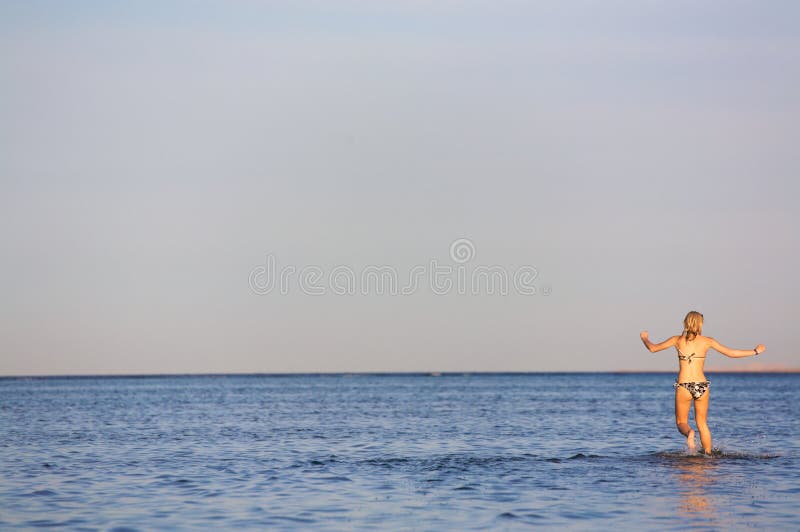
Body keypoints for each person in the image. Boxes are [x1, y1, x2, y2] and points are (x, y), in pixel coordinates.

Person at [639, 311, 765, 454]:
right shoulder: (707, 341)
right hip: (702, 386)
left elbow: (653, 348)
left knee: (681, 422)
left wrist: (645, 338)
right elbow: (731, 353)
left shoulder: (677, 340)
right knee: (702, 423)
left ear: (685, 323)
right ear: (700, 324)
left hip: (684, 386)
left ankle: (690, 434)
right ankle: (708, 455)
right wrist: (755, 351)